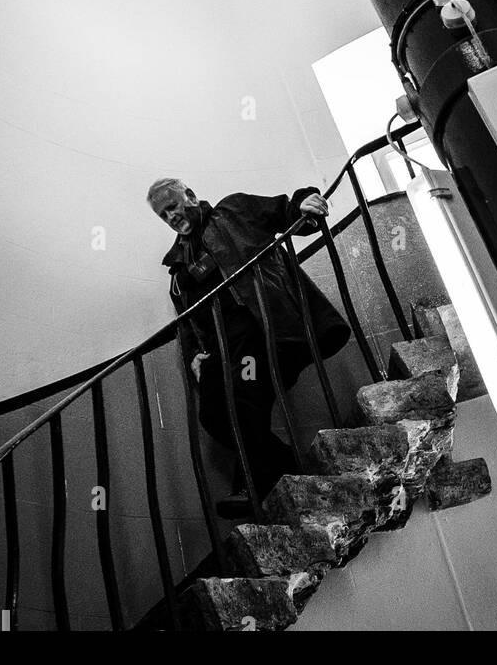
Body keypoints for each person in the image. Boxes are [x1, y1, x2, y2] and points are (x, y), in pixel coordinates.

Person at [147, 178, 351, 507]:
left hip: (261, 328)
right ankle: (286, 467)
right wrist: (195, 356)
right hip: (220, 349)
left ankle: (256, 483)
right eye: (162, 214)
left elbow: (283, 210)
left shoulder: (233, 212)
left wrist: (303, 202)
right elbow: (187, 321)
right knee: (213, 415)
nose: (170, 216)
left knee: (244, 400)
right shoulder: (177, 266)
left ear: (192, 197)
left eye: (172, 207)